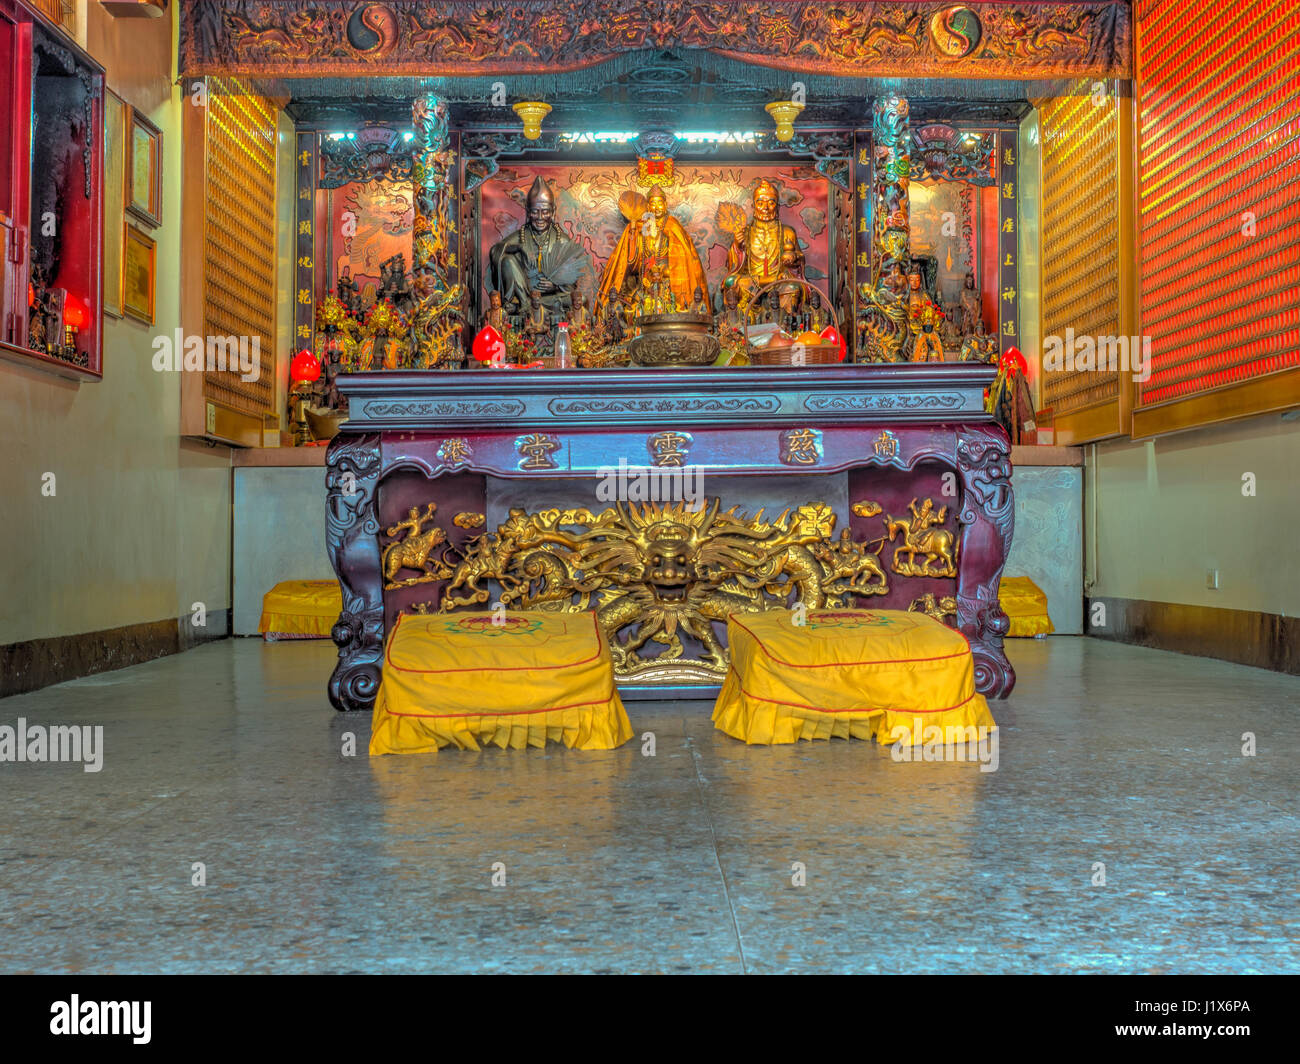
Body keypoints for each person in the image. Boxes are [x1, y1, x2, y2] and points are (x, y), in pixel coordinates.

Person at [488, 176, 590, 320]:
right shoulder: (522, 236)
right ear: (528, 211)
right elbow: (495, 251)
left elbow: (571, 285)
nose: (540, 217)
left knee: (582, 299)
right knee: (507, 261)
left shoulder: (562, 240)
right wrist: (519, 248)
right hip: (525, 293)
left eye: (545, 211)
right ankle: (524, 302)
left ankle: (526, 306)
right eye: (535, 212)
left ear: (553, 211)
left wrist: (554, 286)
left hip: (550, 298)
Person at [598, 183, 708, 312]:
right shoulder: (640, 226)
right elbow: (631, 261)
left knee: (670, 299)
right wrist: (633, 234)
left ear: (666, 205)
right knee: (640, 298)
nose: (657, 208)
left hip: (669, 274)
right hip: (646, 273)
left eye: (660, 203)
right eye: (653, 204)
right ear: (648, 206)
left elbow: (685, 258)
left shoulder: (673, 225)